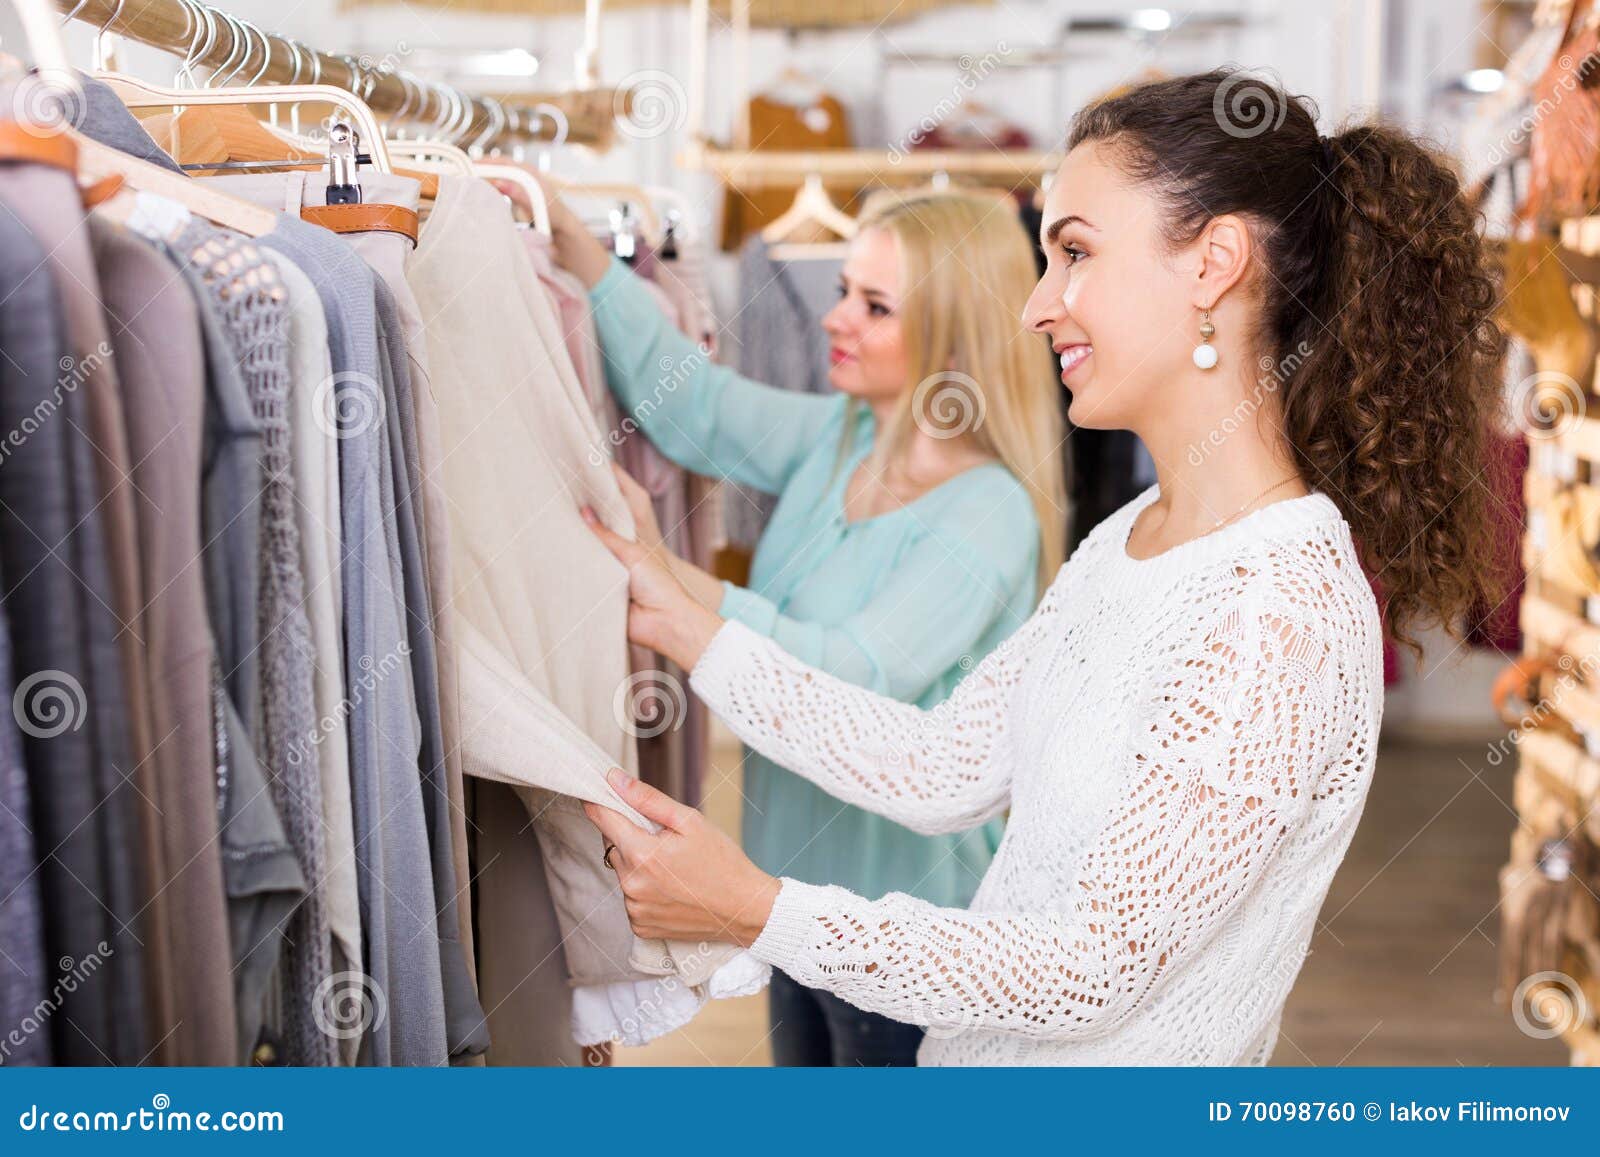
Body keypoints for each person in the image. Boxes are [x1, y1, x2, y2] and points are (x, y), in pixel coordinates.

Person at [577, 69, 1507, 1066]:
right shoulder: (1134, 535)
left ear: (1213, 264)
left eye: (1072, 253)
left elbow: (1088, 969)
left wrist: (757, 908)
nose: (1033, 307)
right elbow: (941, 765)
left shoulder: (1275, 611)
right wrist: (688, 628)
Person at [549, 188, 1066, 1065]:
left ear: (952, 330)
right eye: (843, 292)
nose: (835, 320)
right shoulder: (845, 434)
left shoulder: (989, 513)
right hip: (789, 898)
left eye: (873, 306)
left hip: (906, 928)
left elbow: (851, 672)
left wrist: (678, 587)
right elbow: (694, 408)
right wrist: (571, 244)